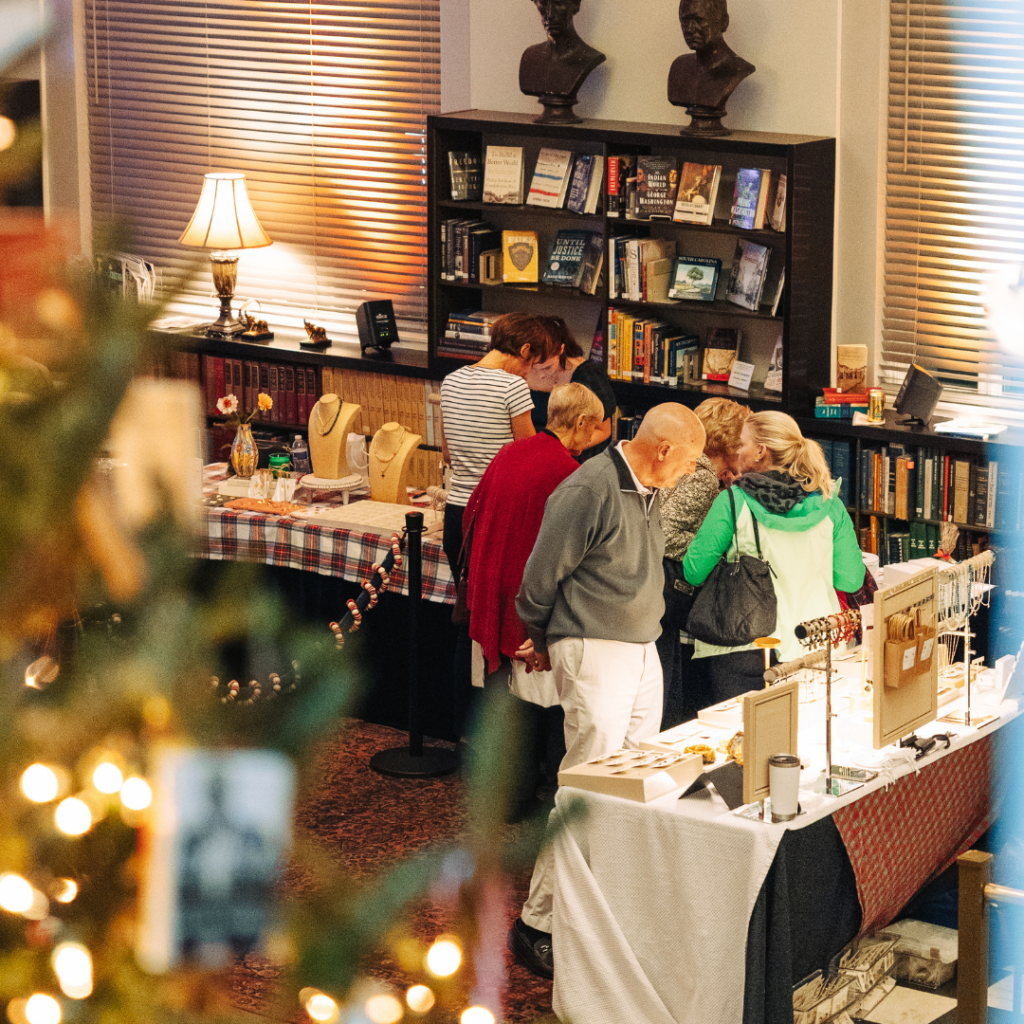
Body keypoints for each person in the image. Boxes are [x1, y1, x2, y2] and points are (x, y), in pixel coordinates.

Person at [507, 403, 706, 978]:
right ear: (663, 450)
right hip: (594, 646)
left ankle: (606, 906)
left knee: (635, 783)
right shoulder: (588, 488)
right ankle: (538, 922)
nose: (690, 474)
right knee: (587, 786)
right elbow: (539, 577)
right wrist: (542, 635)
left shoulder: (648, 488)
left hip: (641, 648)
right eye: (688, 462)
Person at [462, 382, 605, 816]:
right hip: (528, 594)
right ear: (581, 423)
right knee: (542, 701)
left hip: (491, 583)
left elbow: (470, 514)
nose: (597, 435)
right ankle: (539, 796)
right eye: (596, 426)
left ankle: (505, 793)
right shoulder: (570, 472)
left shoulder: (509, 452)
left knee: (502, 698)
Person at [683, 411, 865, 703]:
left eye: (742, 444)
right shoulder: (830, 505)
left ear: (760, 451)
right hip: (816, 643)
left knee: (742, 729)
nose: (737, 451)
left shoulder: (732, 501)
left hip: (747, 645)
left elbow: (694, 571)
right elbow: (850, 579)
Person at [440, 312, 562, 736]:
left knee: (468, 617)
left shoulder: (452, 380)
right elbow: (530, 455)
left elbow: (447, 453)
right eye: (535, 362)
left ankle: (463, 727)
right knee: (499, 621)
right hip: (495, 514)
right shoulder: (512, 387)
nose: (531, 371)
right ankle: (501, 730)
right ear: (525, 350)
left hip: (457, 512)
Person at [657, 397, 749, 727]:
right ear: (730, 442)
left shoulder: (693, 468)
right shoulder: (702, 478)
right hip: (668, 589)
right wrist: (709, 550)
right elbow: (665, 535)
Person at [526, 316, 615, 462]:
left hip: (572, 454)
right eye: (533, 366)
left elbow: (603, 431)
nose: (541, 374)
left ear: (561, 350)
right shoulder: (519, 368)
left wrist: (560, 450)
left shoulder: (587, 375)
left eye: (547, 367)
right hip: (529, 450)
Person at [667, 0, 755, 115]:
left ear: (724, 22)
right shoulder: (679, 67)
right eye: (685, 21)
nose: (690, 29)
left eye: (700, 20)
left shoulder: (738, 68)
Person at [520, 0, 606, 110]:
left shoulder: (589, 57)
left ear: (575, 5)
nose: (549, 14)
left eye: (558, 3)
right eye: (543, 3)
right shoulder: (530, 56)